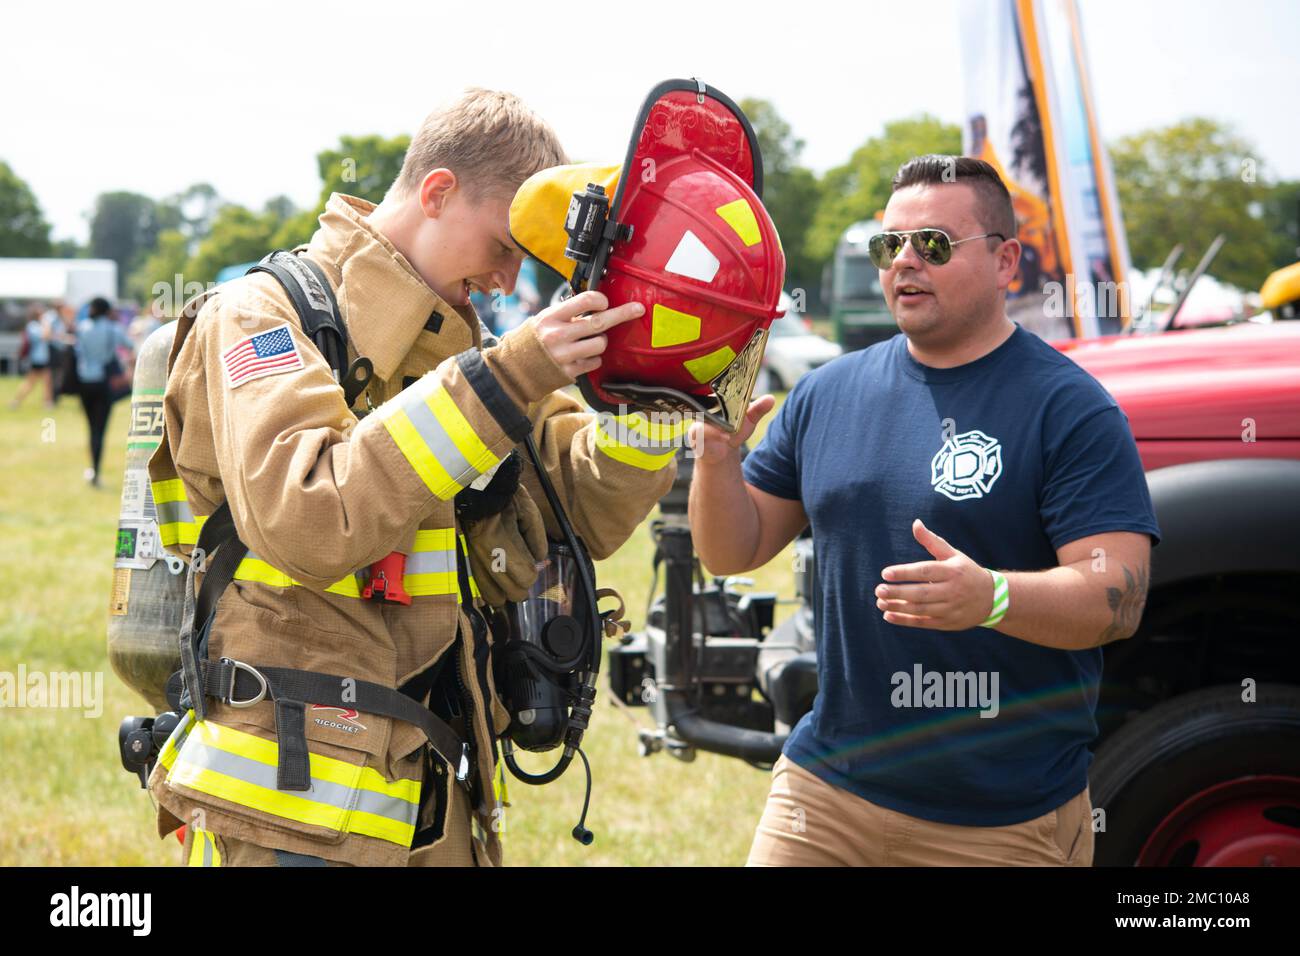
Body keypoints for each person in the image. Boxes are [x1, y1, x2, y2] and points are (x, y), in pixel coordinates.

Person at [147, 88, 681, 867]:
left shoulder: (470, 357)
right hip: (287, 816)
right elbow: (310, 516)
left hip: (430, 802)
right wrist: (505, 378)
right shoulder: (262, 317)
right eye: (504, 245)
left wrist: (659, 398)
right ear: (437, 192)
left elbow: (584, 510)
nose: (507, 279)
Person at [688, 155, 1160, 867]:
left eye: (933, 244)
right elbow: (733, 549)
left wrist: (992, 597)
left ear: (1007, 262)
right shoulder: (826, 393)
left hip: (1002, 820)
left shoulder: (1070, 408)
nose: (904, 261)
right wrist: (716, 464)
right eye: (889, 245)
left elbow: (1116, 599)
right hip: (825, 791)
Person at [74, 297, 133, 486]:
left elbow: (78, 352)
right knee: (101, 428)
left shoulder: (82, 327)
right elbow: (130, 346)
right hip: (104, 382)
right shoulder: (112, 329)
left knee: (91, 427)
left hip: (84, 381)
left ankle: (92, 468)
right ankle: (96, 470)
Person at [9, 303, 54, 409]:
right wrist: (46, 323)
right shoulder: (32, 326)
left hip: (42, 357)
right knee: (31, 382)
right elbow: (45, 336)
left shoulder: (36, 325)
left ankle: (47, 403)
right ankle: (16, 401)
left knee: (46, 381)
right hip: (38, 358)